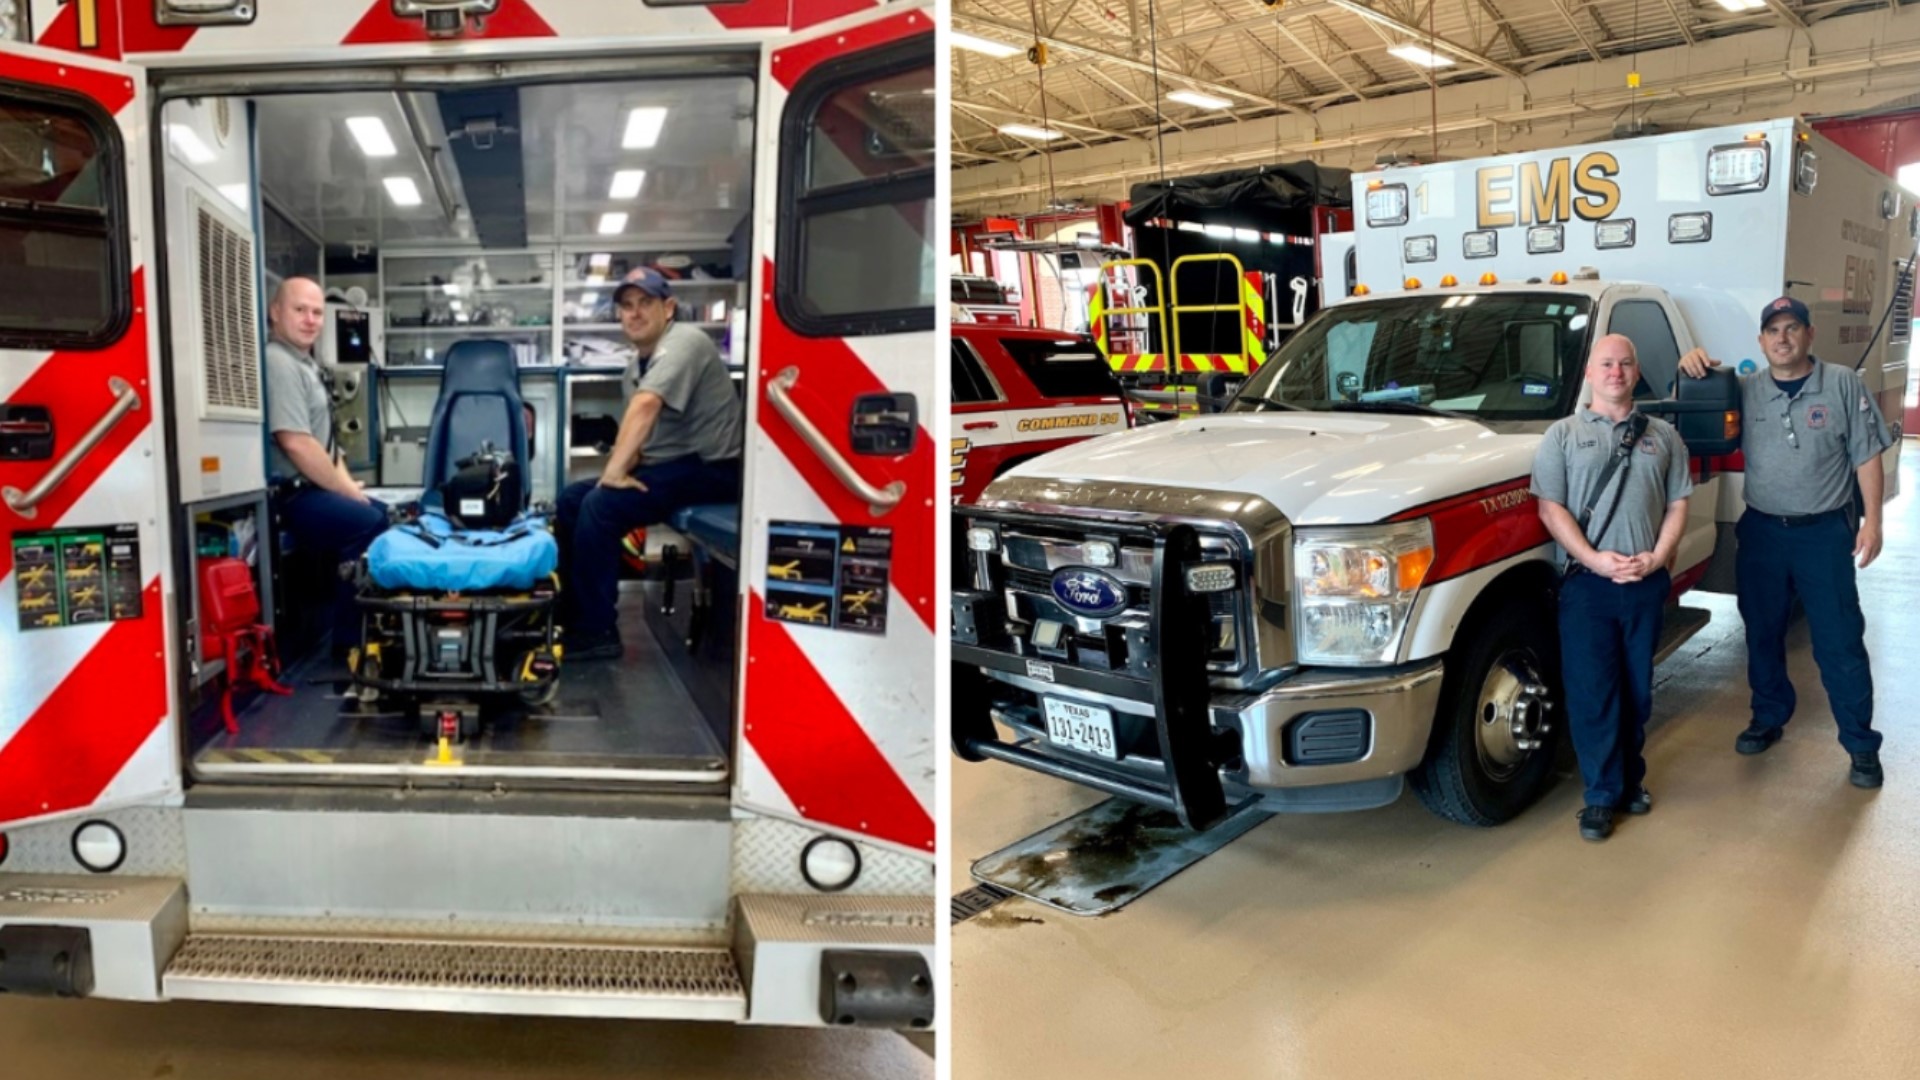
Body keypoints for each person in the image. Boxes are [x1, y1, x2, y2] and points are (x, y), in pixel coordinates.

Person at [1677, 296, 1892, 788]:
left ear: (1809, 335)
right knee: (1762, 634)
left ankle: (1860, 744)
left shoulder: (1840, 384)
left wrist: (1872, 520)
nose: (1782, 338)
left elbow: (1866, 457)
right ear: (1761, 341)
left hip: (1823, 535)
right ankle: (1769, 717)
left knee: (1839, 642)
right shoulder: (1745, 390)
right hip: (1763, 534)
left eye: (1792, 327)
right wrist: (1690, 367)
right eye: (1773, 330)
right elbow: (1694, 410)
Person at [1531, 334, 1693, 842]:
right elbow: (1549, 508)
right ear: (1590, 373)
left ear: (1636, 369)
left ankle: (1630, 781)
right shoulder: (1561, 435)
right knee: (1592, 692)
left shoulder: (1663, 436)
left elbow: (1678, 504)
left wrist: (1658, 556)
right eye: (1606, 364)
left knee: (1637, 691)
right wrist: (1595, 560)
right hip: (1588, 587)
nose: (1616, 372)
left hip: (1645, 585)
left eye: (1625, 363)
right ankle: (1601, 796)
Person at [555, 267, 744, 660]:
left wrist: (613, 476)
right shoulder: (633, 367)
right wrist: (619, 469)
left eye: (645, 303)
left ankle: (597, 632)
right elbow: (641, 434)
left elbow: (645, 406)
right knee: (573, 498)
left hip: (714, 468)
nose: (635, 313)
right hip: (672, 466)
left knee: (601, 505)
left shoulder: (684, 342)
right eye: (627, 306)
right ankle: (572, 614)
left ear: (668, 308)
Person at [265, 276, 387, 660]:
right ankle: (349, 643)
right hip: (293, 495)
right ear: (275, 313)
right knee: (368, 524)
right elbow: (297, 444)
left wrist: (353, 489)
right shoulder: (278, 362)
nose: (310, 319)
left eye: (317, 312)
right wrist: (348, 494)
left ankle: (364, 627)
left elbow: (329, 446)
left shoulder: (307, 365)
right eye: (299, 310)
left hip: (314, 487)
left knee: (381, 514)